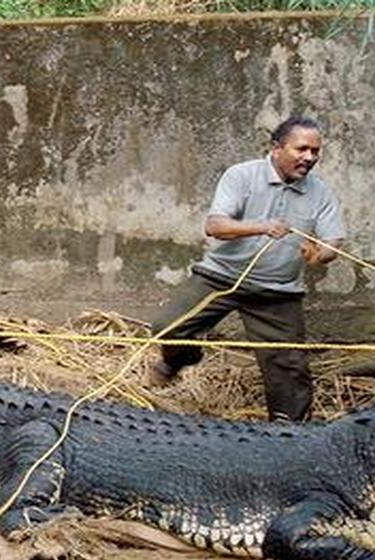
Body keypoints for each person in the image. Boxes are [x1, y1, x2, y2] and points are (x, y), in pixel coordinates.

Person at [145, 115, 344, 422]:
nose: (309, 157)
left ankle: (289, 434)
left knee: (289, 370)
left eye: (315, 151)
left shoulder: (320, 191)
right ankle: (181, 358)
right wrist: (261, 226)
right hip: (220, 277)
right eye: (301, 149)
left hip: (277, 291)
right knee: (169, 326)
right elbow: (215, 226)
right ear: (276, 148)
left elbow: (333, 242)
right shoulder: (241, 176)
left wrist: (320, 255)